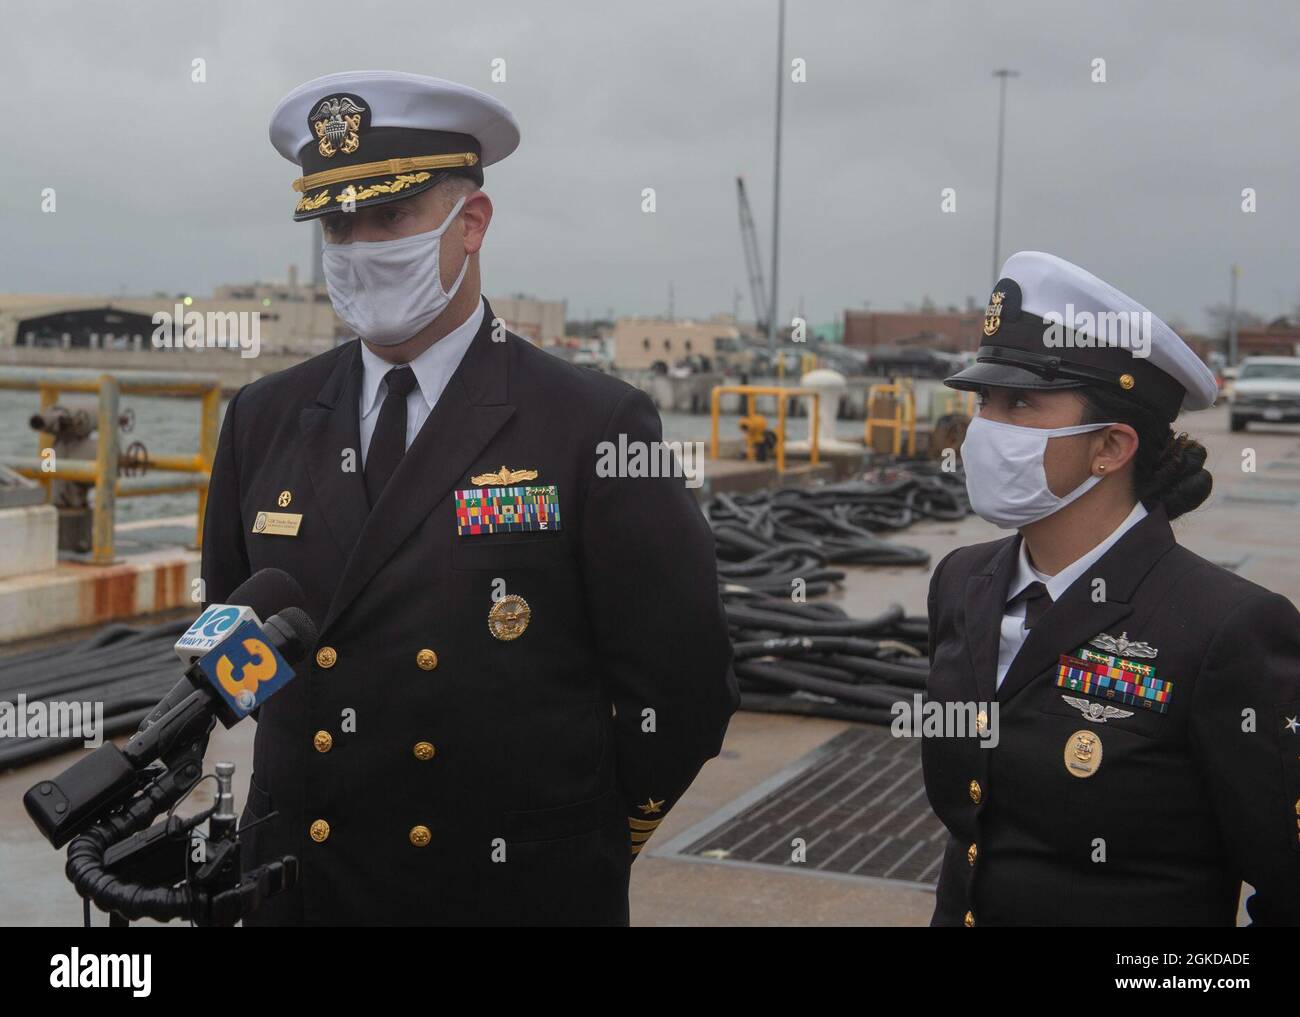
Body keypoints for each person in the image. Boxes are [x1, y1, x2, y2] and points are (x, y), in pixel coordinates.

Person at [201, 70, 738, 925]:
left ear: (472, 223)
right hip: (302, 892)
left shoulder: (592, 422)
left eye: (388, 216)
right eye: (337, 223)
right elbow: (235, 625)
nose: (359, 246)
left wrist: (577, 837)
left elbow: (682, 685)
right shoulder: (263, 418)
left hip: (501, 894)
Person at [923, 250, 1300, 926]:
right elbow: (973, 832)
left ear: (1111, 446)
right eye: (984, 399)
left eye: (1020, 402)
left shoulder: (1227, 631)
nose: (984, 427)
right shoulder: (962, 582)